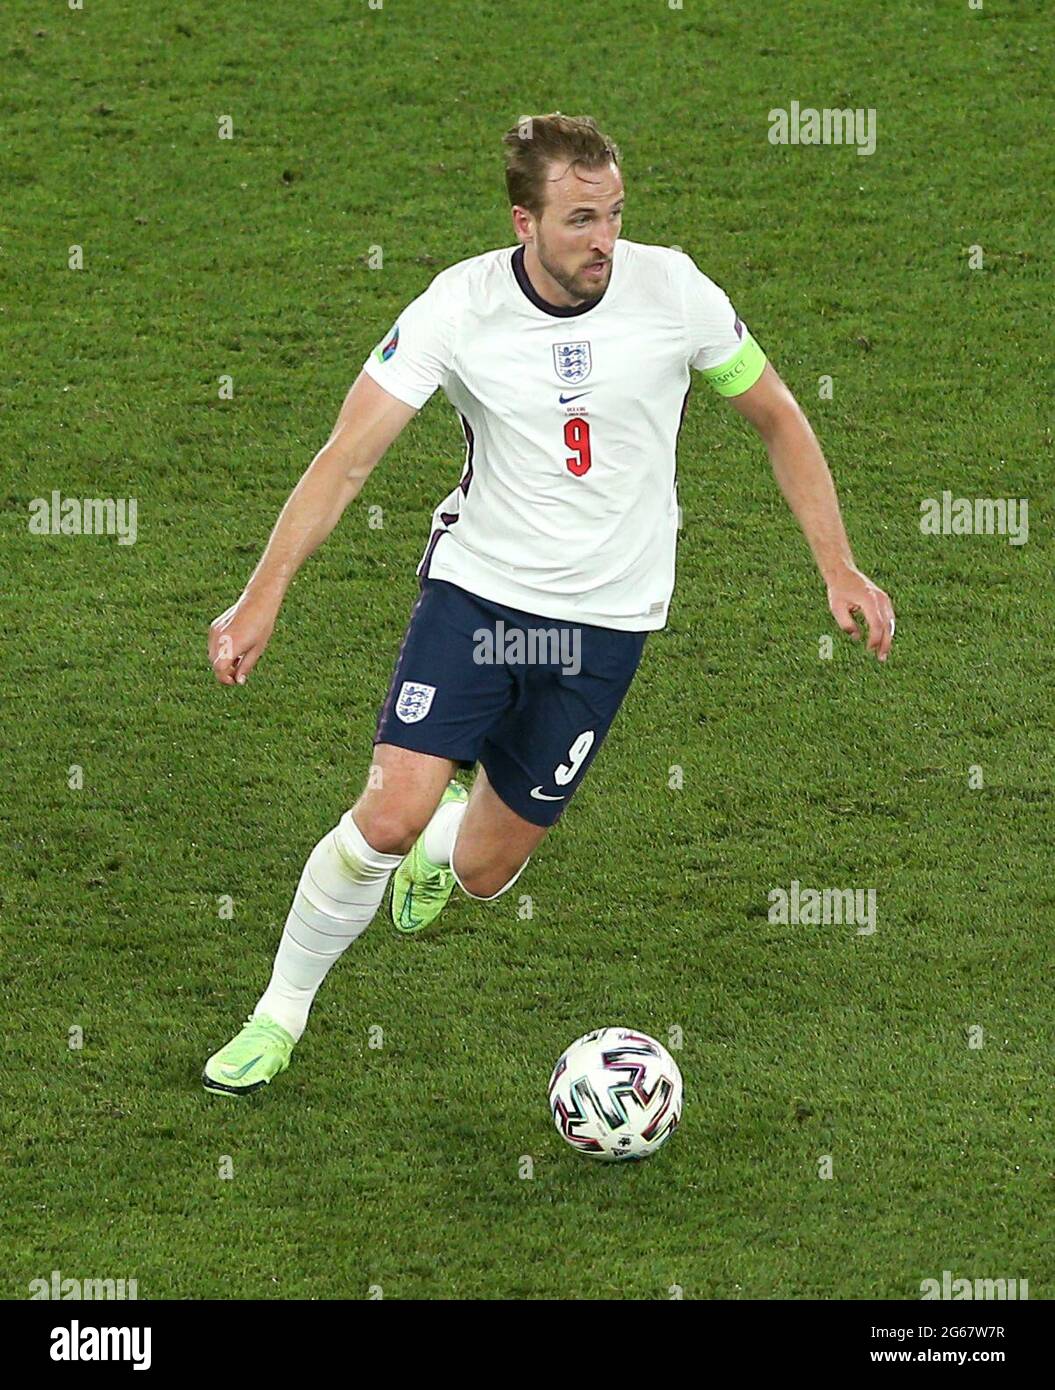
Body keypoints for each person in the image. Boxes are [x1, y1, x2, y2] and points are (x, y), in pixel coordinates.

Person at [202, 113, 895, 1095]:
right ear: (522, 220)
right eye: (579, 219)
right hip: (479, 594)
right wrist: (261, 594)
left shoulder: (674, 293)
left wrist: (838, 565)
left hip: (607, 624)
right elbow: (347, 458)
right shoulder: (459, 306)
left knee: (484, 871)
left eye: (612, 214)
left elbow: (775, 415)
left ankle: (450, 833)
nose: (602, 240)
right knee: (387, 812)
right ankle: (278, 1013)